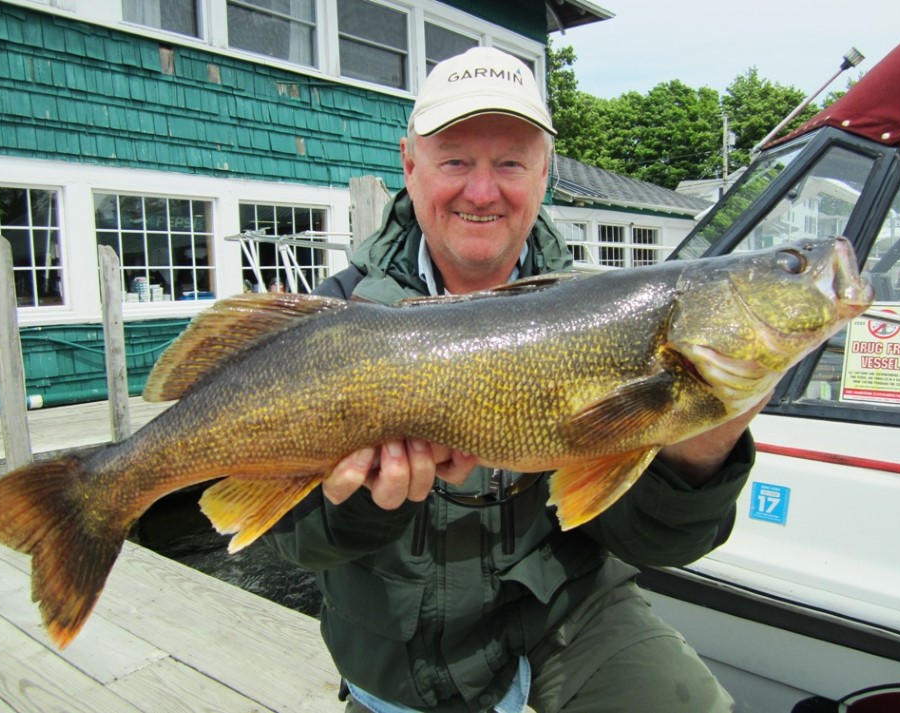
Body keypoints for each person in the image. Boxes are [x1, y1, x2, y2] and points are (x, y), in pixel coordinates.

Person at [266, 46, 761, 713]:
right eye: (456, 161)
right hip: (396, 653)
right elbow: (291, 541)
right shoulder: (335, 315)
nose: (481, 189)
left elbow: (654, 542)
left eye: (508, 162)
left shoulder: (609, 311)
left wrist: (704, 440)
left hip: (563, 615)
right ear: (410, 166)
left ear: (544, 174)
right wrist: (361, 502)